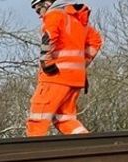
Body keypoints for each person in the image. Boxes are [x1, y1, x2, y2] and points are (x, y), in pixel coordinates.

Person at [26, 0, 102, 136]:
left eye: (39, 10)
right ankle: (86, 146)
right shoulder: (78, 20)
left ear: (48, 3)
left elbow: (49, 37)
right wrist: (82, 63)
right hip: (75, 79)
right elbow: (96, 40)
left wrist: (46, 62)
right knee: (65, 119)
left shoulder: (54, 15)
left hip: (55, 75)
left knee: (38, 116)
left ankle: (33, 152)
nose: (39, 15)